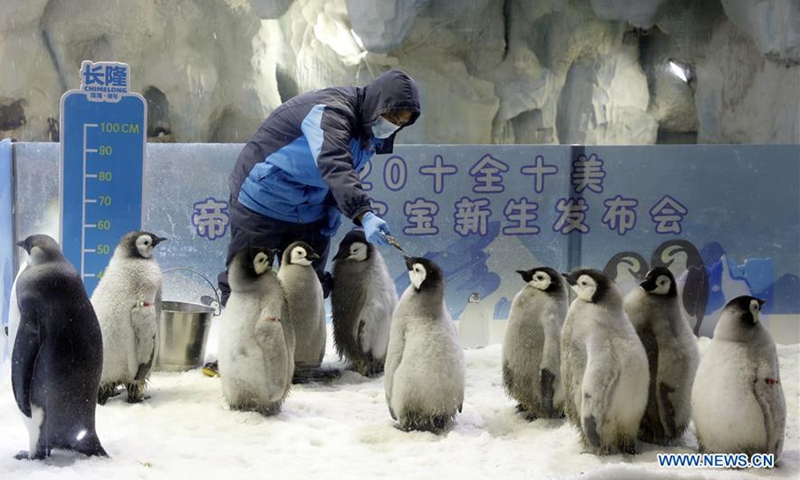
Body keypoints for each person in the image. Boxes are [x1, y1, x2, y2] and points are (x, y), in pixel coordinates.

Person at [217, 69, 421, 306]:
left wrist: (330, 214)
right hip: (263, 200)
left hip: (310, 211)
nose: (393, 126)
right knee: (247, 285)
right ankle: (240, 341)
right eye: (392, 118)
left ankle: (300, 342)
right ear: (377, 103)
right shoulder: (330, 112)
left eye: (400, 124)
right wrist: (363, 213)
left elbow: (341, 174)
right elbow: (334, 163)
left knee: (307, 291)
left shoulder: (370, 131)